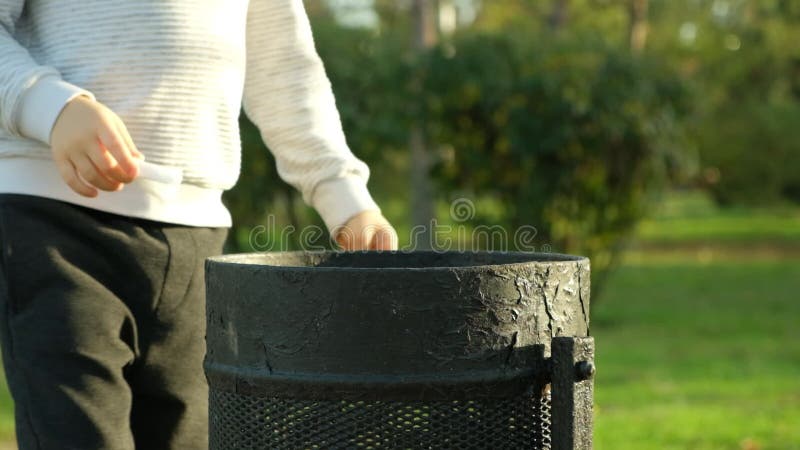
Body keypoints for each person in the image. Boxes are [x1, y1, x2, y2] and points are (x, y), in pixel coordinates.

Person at [0, 0, 398, 448]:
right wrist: (51, 106)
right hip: (54, 224)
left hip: (195, 243)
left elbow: (283, 68)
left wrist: (344, 197)